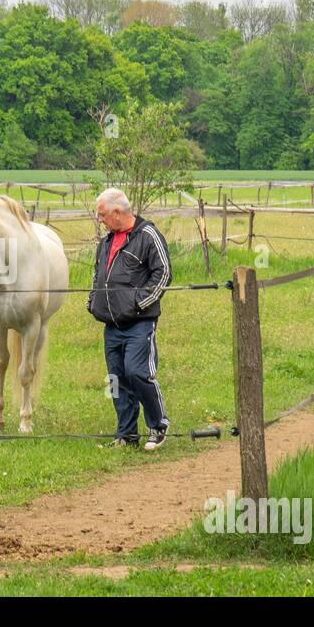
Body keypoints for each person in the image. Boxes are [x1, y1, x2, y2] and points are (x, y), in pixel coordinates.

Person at [86, 188, 172, 450]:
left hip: (139, 323)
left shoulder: (148, 236)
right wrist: (92, 301)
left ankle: (158, 425)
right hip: (111, 326)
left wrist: (138, 304)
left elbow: (164, 273)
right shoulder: (105, 242)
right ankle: (126, 434)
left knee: (138, 373)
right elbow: (98, 274)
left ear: (116, 212)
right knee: (115, 380)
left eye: (101, 215)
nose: (99, 220)